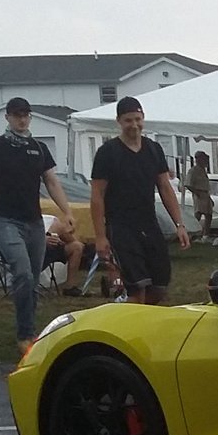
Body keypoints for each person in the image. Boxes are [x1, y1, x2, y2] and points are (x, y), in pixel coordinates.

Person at [0, 97, 75, 358]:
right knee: (23, 274)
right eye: (17, 115)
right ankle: (25, 334)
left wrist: (67, 211)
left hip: (34, 222)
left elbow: (51, 181)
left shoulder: (38, 148)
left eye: (26, 114)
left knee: (32, 278)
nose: (22, 119)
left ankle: (30, 330)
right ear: (7, 117)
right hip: (5, 221)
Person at [89, 96, 190, 305]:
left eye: (137, 119)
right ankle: (122, 321)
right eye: (128, 120)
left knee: (159, 288)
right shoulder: (108, 153)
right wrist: (100, 236)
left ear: (143, 118)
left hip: (149, 225)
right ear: (119, 121)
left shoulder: (153, 150)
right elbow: (97, 196)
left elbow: (165, 187)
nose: (134, 125)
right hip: (121, 227)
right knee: (137, 290)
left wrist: (180, 224)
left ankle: (137, 320)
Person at [45, 213, 86, 297]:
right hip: (27, 251)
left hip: (45, 252)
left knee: (77, 246)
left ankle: (70, 287)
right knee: (58, 227)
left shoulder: (42, 220)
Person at [186, 151, 214, 240]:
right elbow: (188, 184)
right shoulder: (193, 171)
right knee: (198, 214)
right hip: (199, 194)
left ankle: (205, 235)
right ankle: (191, 234)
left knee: (209, 215)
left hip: (206, 194)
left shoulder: (203, 171)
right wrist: (197, 193)